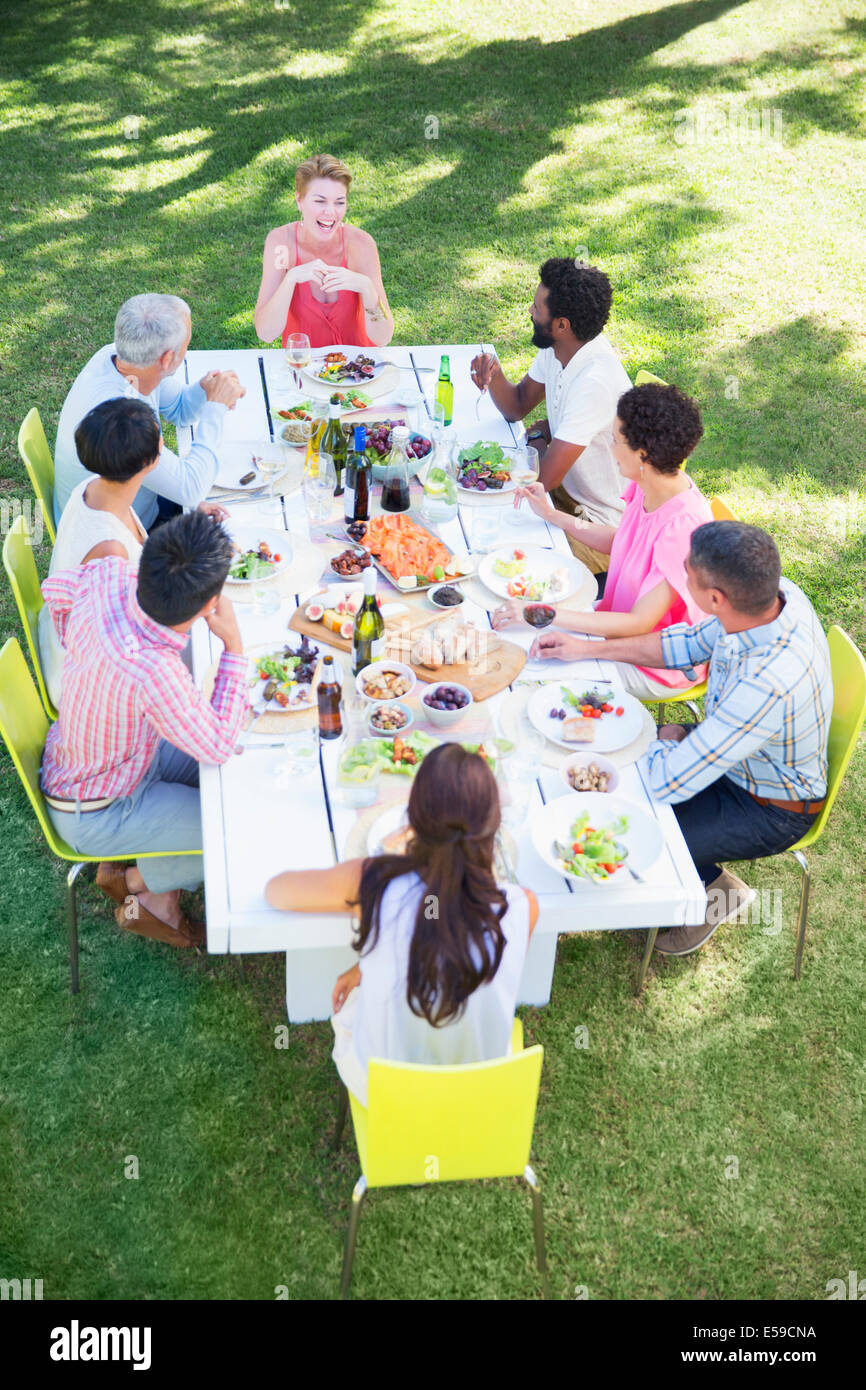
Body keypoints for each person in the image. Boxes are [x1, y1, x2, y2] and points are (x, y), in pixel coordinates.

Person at [534, 523, 833, 956]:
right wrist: (585, 650)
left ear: (716, 599)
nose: (679, 571)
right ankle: (708, 881)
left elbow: (666, 782)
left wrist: (663, 738)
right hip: (733, 752)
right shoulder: (769, 599)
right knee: (602, 764)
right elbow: (684, 645)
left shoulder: (767, 684)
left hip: (767, 807)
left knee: (621, 834)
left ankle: (712, 894)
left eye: (686, 570)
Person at [266, 743, 538, 1105]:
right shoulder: (523, 906)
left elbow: (277, 893)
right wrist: (368, 964)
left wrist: (371, 959)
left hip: (388, 1095)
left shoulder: (374, 884)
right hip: (478, 1099)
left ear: (412, 821)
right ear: (494, 829)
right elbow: (454, 945)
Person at [40, 511, 248, 948]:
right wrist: (233, 647)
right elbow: (219, 744)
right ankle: (146, 892)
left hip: (109, 758)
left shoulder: (107, 572)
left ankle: (132, 874)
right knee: (234, 828)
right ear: (211, 606)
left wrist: (90, 661)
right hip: (100, 809)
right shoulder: (154, 671)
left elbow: (55, 591)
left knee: (239, 779)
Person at [493, 383, 712, 699]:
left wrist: (546, 617)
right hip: (610, 623)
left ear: (643, 455)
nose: (610, 448)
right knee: (513, 636)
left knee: (532, 680)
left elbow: (640, 623)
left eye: (615, 441)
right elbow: (623, 541)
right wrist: (551, 514)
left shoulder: (683, 529)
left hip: (651, 663)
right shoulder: (653, 481)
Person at [38, 398, 228, 709]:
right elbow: (130, 642)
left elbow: (139, 547)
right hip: (88, 685)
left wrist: (187, 519)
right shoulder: (109, 553)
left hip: (83, 635)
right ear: (151, 460)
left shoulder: (94, 486)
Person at [470, 259, 632, 578]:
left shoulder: (594, 382)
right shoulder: (559, 347)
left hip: (595, 528)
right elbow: (516, 406)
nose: (531, 311)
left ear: (561, 325)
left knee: (492, 555)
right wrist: (495, 373)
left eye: (536, 307)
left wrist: (537, 438)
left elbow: (540, 481)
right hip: (560, 500)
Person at [54, 293, 245, 526]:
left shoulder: (126, 357)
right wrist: (215, 409)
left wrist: (205, 391)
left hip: (141, 504)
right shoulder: (119, 418)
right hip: (124, 536)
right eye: (186, 345)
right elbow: (191, 489)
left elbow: (179, 409)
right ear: (167, 359)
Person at [254, 153, 394, 350]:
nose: (330, 212)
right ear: (299, 201)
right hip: (304, 368)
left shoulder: (361, 244)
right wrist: (291, 278)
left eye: (339, 202)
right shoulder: (281, 244)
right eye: (320, 201)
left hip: (359, 371)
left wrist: (367, 288)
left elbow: (383, 337)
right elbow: (266, 333)